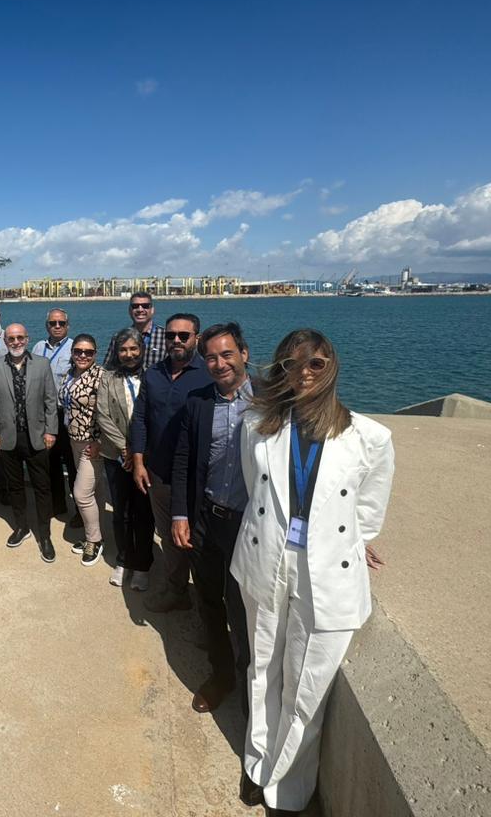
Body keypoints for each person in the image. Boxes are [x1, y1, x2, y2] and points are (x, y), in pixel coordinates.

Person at [231, 329, 394, 815]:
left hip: (324, 568)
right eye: (290, 364)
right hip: (266, 556)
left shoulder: (370, 437)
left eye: (315, 364)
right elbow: (255, 489)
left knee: (308, 685)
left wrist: (348, 541)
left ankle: (289, 789)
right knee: (262, 668)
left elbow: (368, 511)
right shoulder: (258, 424)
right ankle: (258, 764)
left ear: (332, 367)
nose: (303, 373)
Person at [170, 322, 253, 718]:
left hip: (251, 525)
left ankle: (253, 682)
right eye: (212, 357)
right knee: (209, 600)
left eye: (227, 354)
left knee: (244, 607)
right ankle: (222, 675)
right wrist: (181, 513)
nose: (220, 364)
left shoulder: (271, 400)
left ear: (244, 354)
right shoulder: (199, 402)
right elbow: (184, 460)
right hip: (206, 518)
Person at [130, 313, 210, 613]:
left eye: (183, 336)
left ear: (196, 339)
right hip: (159, 473)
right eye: (171, 335)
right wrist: (138, 461)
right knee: (168, 536)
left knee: (199, 543)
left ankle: (207, 604)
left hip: (198, 478)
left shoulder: (207, 374)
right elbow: (140, 419)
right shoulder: (153, 373)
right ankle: (178, 591)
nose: (176, 340)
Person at [0, 323, 60, 562]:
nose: (15, 342)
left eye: (20, 338)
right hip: (7, 438)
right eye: (11, 339)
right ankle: (22, 527)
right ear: (5, 341)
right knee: (14, 487)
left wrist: (51, 432)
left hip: (36, 436)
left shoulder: (42, 364)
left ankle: (45, 535)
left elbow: (50, 401)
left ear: (27, 339)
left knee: (42, 487)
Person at [95, 327, 154, 591]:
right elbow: (102, 415)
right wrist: (124, 448)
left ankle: (142, 564)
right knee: (121, 512)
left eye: (133, 349)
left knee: (143, 512)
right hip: (116, 455)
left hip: (147, 457)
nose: (128, 354)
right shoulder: (108, 377)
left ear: (141, 349)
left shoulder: (154, 376)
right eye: (123, 350)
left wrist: (140, 450)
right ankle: (123, 559)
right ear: (116, 352)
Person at [60, 333, 107, 565]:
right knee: (94, 490)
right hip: (74, 439)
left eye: (88, 352)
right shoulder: (69, 374)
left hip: (92, 443)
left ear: (95, 354)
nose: (82, 355)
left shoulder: (101, 377)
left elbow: (107, 413)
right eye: (78, 351)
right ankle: (95, 534)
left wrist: (100, 442)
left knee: (81, 493)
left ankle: (94, 540)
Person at [32, 308, 78, 524]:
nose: (57, 326)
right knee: (49, 463)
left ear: (67, 325)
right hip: (43, 414)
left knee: (73, 464)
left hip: (66, 414)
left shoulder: (75, 348)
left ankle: (80, 510)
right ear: (46, 326)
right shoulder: (39, 347)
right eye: (52, 323)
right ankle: (57, 504)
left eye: (61, 323)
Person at [105, 291, 166, 371]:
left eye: (145, 306)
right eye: (135, 306)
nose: (140, 309)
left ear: (152, 310)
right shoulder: (118, 337)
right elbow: (108, 369)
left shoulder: (166, 336)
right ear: (130, 310)